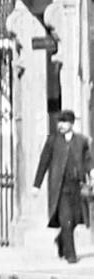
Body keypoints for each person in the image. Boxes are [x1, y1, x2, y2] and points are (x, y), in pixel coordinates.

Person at [32, 109, 93, 264]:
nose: (61, 125)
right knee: (65, 218)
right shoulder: (52, 141)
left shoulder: (81, 141)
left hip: (77, 187)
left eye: (65, 122)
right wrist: (36, 185)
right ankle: (71, 255)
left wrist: (92, 174)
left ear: (72, 124)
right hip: (60, 188)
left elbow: (88, 161)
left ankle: (61, 240)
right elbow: (43, 162)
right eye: (60, 122)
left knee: (74, 220)